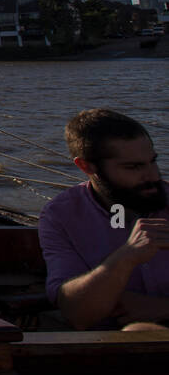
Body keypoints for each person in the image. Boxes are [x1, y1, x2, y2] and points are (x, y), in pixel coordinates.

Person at [39, 109, 169, 330]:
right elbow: (76, 314)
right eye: (133, 167)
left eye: (152, 162)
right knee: (137, 332)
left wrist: (162, 307)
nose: (154, 176)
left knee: (138, 331)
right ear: (86, 166)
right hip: (113, 348)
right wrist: (124, 259)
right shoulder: (60, 217)